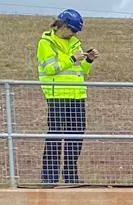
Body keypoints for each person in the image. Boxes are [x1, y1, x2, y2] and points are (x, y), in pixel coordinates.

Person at [37, 9, 96, 185]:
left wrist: (88, 60)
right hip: (57, 96)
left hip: (77, 96)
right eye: (72, 30)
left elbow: (80, 70)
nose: (74, 34)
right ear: (62, 26)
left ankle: (71, 176)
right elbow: (50, 68)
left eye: (76, 32)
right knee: (55, 136)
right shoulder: (46, 43)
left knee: (76, 137)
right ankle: (49, 178)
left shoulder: (75, 42)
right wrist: (72, 58)